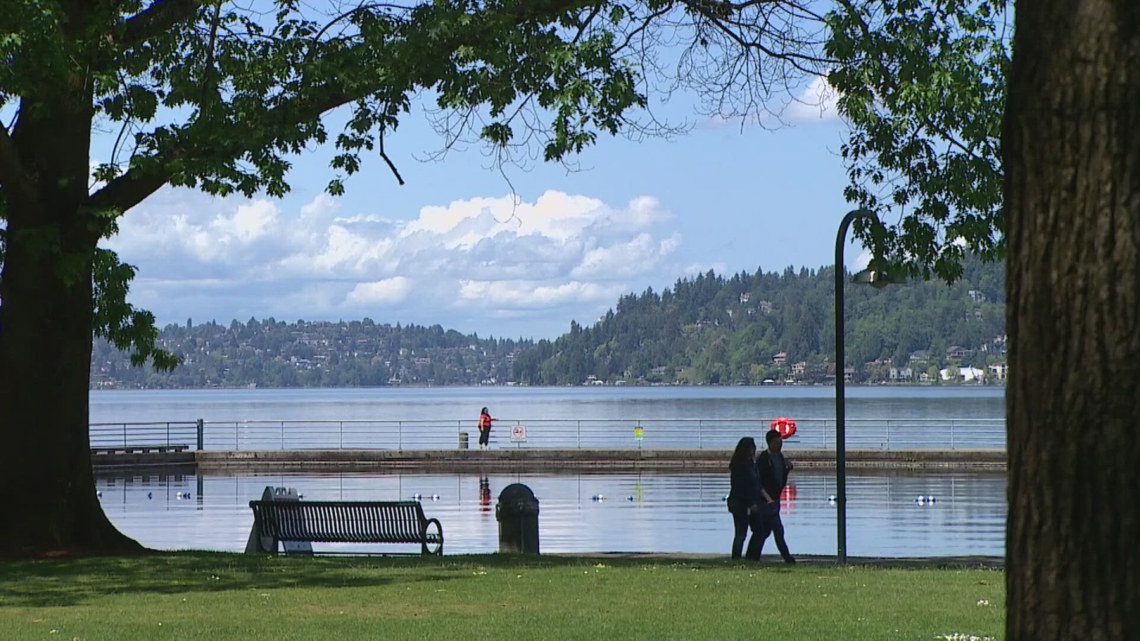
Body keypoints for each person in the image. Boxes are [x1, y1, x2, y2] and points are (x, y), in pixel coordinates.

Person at [754, 428, 796, 563]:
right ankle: (787, 557)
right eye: (777, 443)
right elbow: (759, 482)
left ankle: (752, 556)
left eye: (780, 443)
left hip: (775, 499)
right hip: (766, 501)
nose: (779, 446)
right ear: (769, 443)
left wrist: (787, 469)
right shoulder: (763, 459)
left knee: (764, 531)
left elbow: (780, 479)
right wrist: (768, 499)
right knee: (777, 529)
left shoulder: (780, 457)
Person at [727, 436, 761, 560]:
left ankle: (750, 556)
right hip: (740, 504)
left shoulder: (751, 464)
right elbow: (742, 486)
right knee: (741, 533)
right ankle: (737, 558)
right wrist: (751, 503)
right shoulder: (741, 466)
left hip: (743, 502)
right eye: (752, 447)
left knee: (755, 530)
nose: (754, 450)